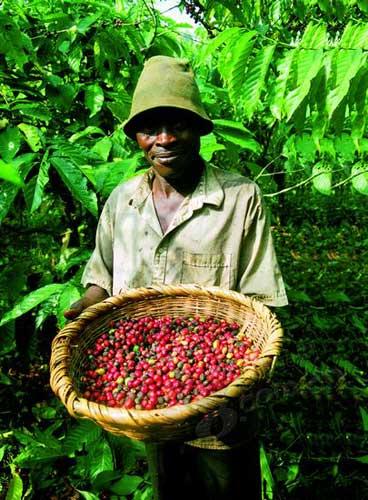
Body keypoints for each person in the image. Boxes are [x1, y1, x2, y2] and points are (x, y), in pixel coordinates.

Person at [64, 56, 288, 500]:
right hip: (147, 412)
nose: (164, 139)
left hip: (221, 407)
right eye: (150, 128)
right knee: (169, 486)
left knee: (228, 487)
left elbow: (262, 304)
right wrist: (84, 309)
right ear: (136, 137)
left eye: (178, 125)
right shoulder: (121, 200)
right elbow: (101, 280)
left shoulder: (240, 198)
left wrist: (237, 372)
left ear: (199, 129)